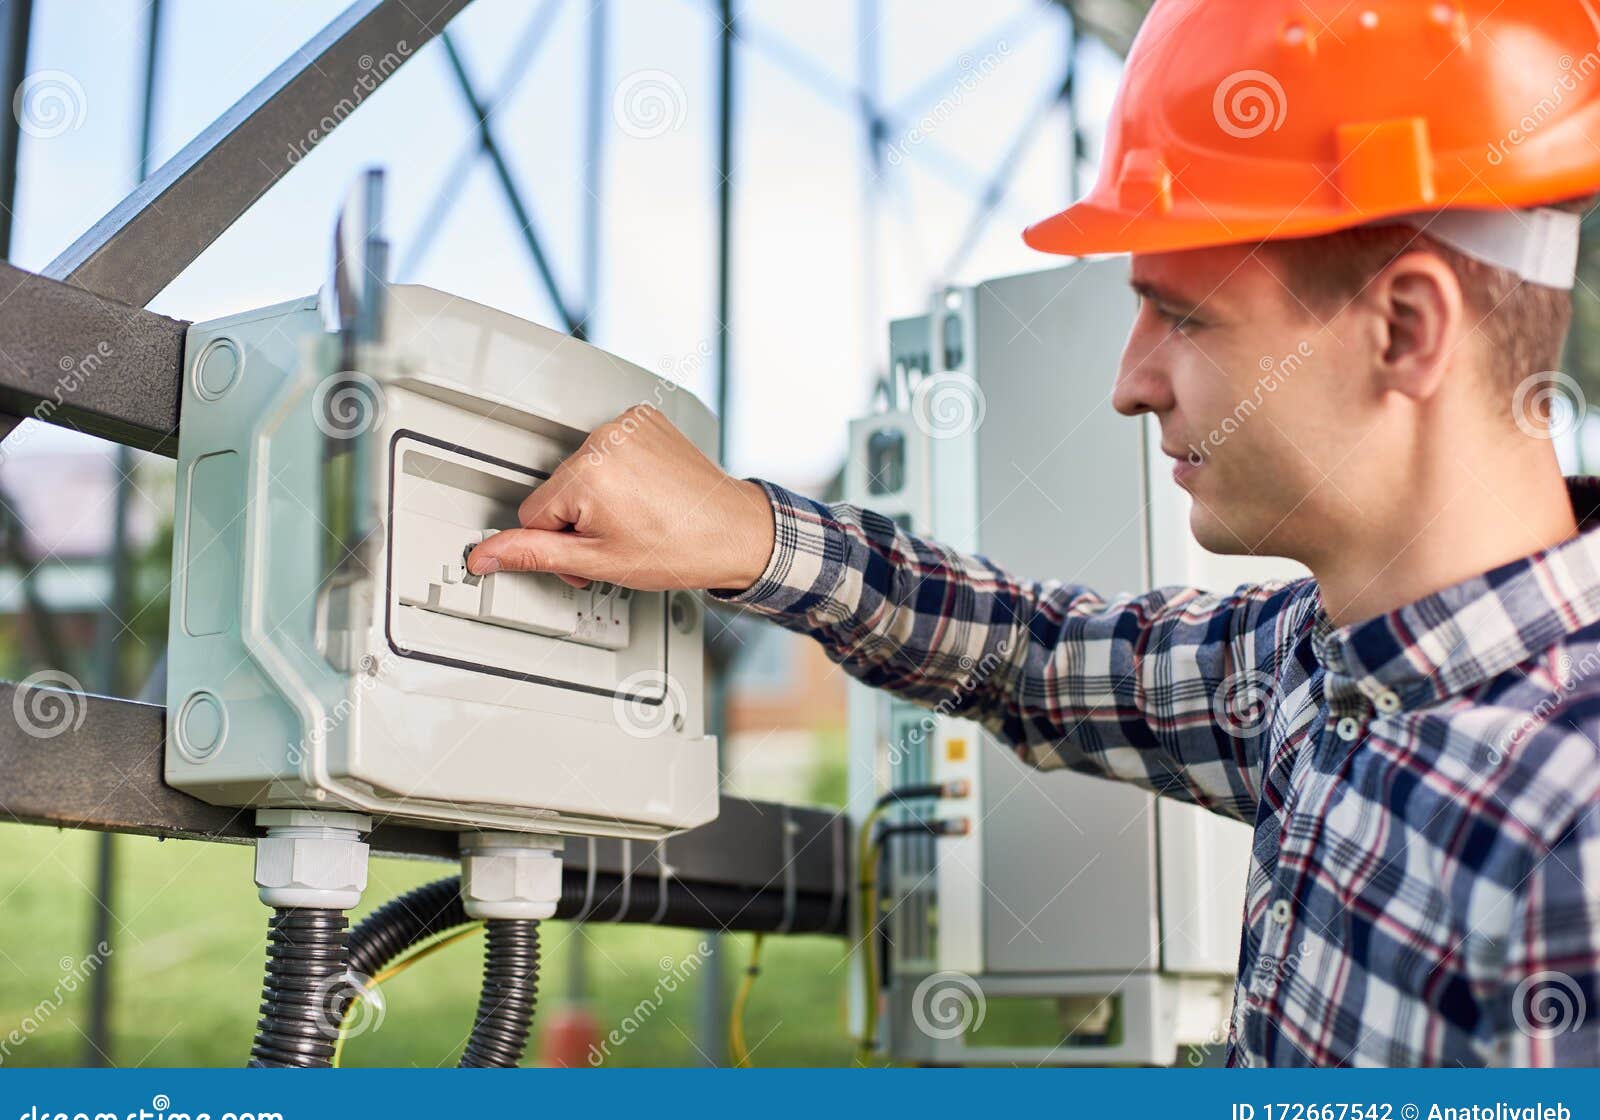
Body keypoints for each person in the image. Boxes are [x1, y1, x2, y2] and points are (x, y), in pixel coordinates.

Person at [468, 1, 1600, 1066]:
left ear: (1405, 329)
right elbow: (1031, 653)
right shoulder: (1314, 671)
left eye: (1185, 317)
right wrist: (751, 536)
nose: (1130, 383)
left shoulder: (1570, 832)